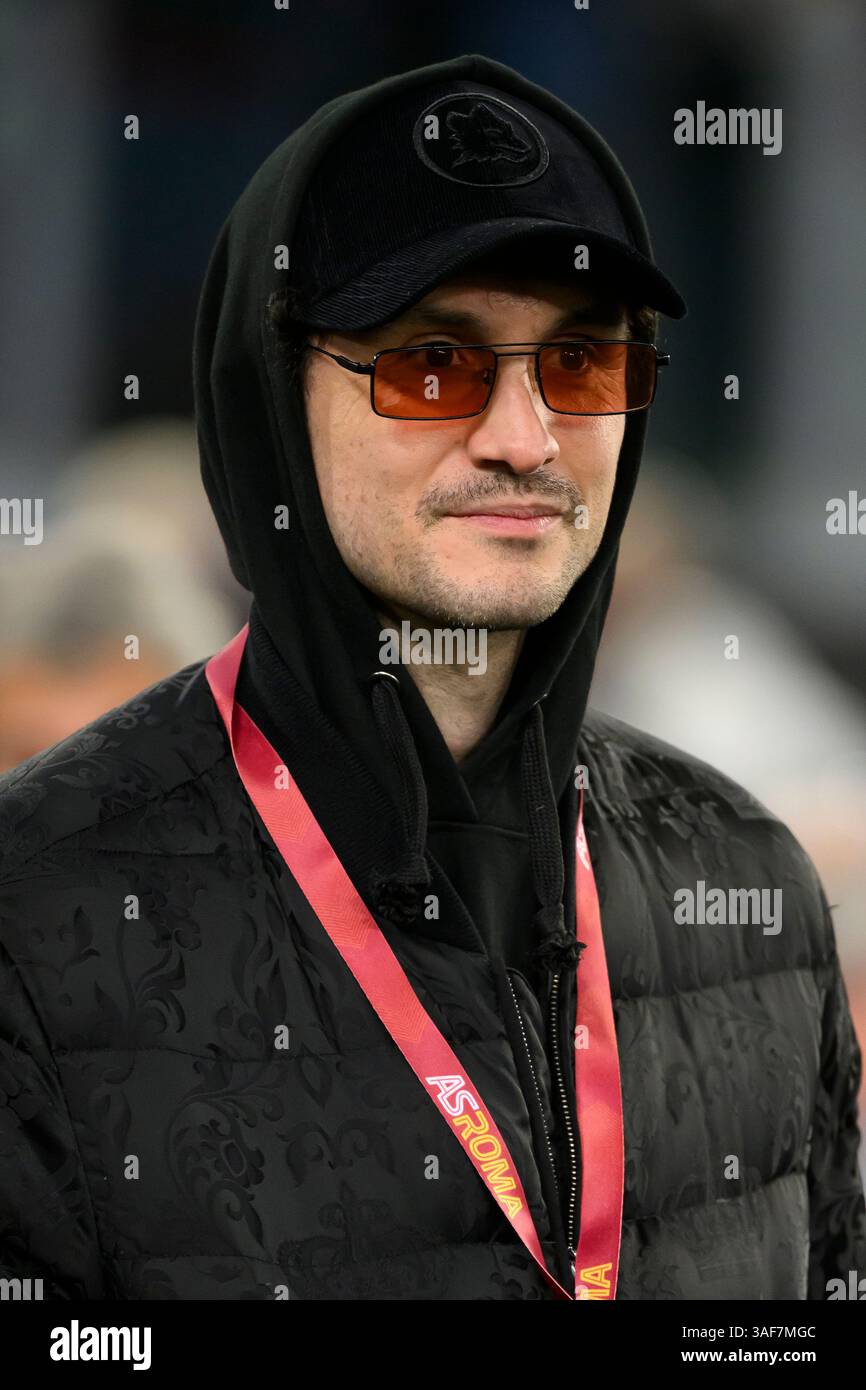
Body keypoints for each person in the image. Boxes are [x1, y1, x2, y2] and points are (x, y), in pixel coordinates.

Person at [0, 52, 863, 1303]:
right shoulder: (36, 909)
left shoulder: (747, 883)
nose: (521, 439)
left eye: (578, 365)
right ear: (271, 402)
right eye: (429, 366)